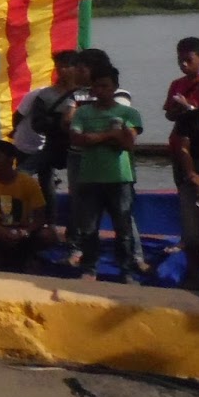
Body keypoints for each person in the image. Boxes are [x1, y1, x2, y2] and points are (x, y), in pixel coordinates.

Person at [67, 64, 148, 281]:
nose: (100, 90)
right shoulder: (83, 112)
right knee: (89, 228)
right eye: (96, 86)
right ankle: (90, 268)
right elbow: (77, 140)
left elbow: (128, 143)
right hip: (90, 178)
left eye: (105, 86)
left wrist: (96, 137)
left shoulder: (129, 113)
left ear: (115, 87)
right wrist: (110, 135)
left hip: (120, 179)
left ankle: (126, 269)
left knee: (123, 228)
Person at [11, 50, 81, 210]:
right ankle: (43, 218)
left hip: (78, 147)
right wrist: (59, 124)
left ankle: (74, 226)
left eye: (67, 66)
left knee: (78, 187)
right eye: (59, 67)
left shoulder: (87, 93)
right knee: (23, 173)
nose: (62, 71)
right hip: (52, 145)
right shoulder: (45, 94)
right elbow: (37, 123)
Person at [0, 140, 50, 272]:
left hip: (22, 231)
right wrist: (0, 230)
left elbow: (40, 214)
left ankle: (29, 254)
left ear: (11, 159)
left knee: (47, 234)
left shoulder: (28, 182)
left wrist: (26, 231)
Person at [169, 74, 199, 290]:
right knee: (193, 232)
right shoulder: (189, 119)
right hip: (195, 178)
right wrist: (192, 174)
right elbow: (184, 148)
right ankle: (194, 274)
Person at [164, 37, 199, 123]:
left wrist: (188, 106)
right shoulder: (176, 84)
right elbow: (169, 116)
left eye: (189, 60)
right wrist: (177, 109)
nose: (184, 64)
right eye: (180, 60)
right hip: (179, 135)